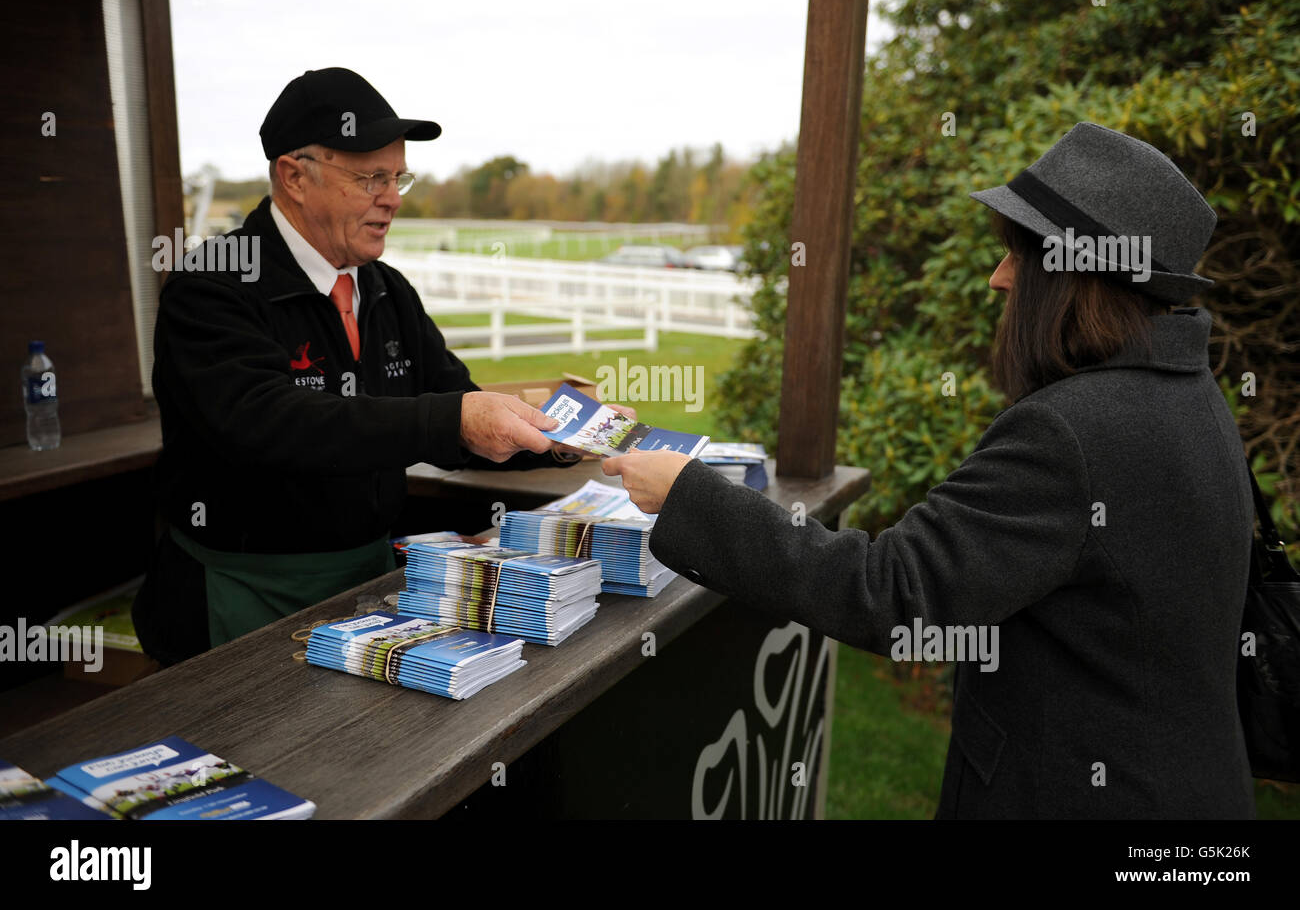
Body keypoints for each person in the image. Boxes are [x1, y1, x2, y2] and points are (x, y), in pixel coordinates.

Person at [603, 123, 1256, 819]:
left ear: (1075, 274)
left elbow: (891, 590)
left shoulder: (1070, 432)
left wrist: (688, 497)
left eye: (1018, 254)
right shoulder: (1192, 395)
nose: (999, 276)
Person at [134, 67, 628, 664]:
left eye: (398, 177)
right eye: (370, 177)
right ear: (293, 176)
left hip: (369, 581)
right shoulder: (212, 284)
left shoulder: (388, 289)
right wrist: (450, 419)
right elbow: (265, 423)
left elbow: (456, 410)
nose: (391, 197)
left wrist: (559, 438)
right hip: (240, 592)